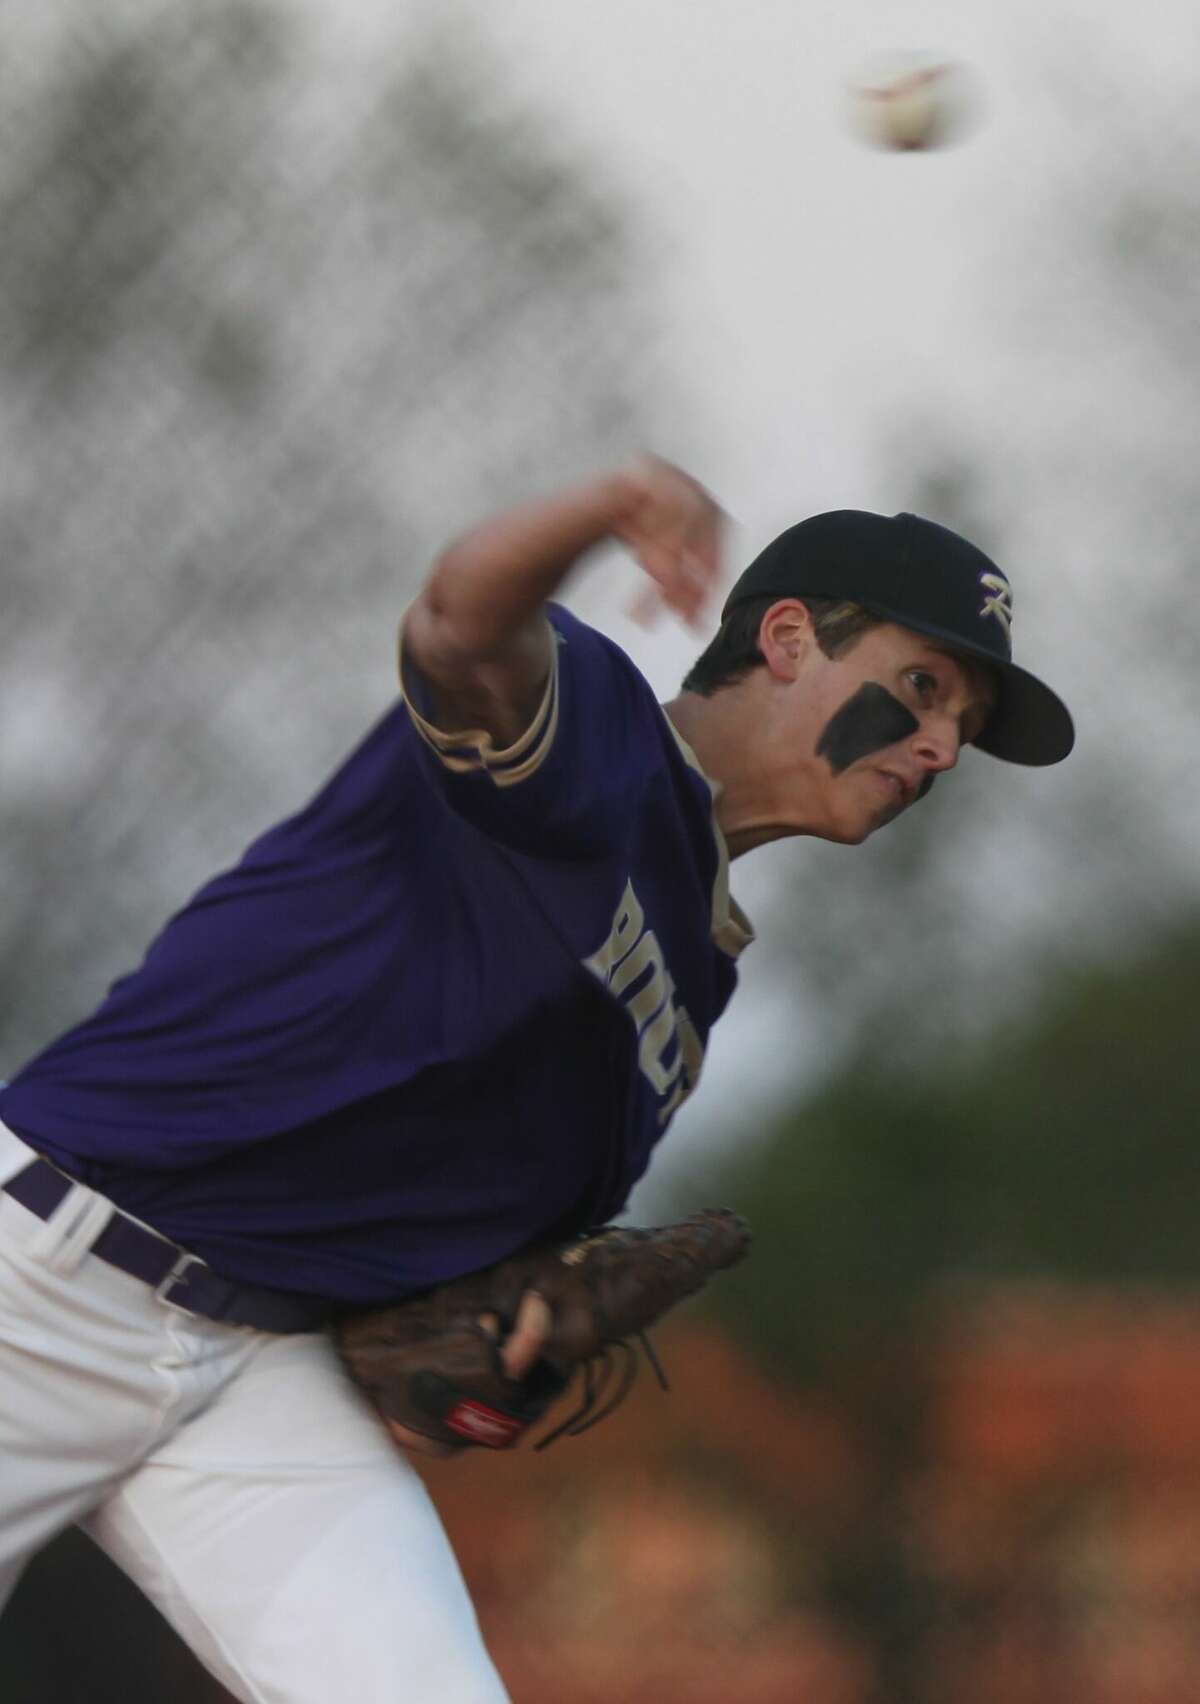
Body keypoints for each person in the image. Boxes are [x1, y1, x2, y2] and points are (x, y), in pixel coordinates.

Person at [0, 455, 1073, 1702]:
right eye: (924, 687)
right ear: (786, 638)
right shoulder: (599, 732)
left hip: (257, 1372)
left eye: (966, 728)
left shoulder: (695, 982)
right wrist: (610, 501)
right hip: (43, 1282)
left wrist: (508, 1343)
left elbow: (438, 1313)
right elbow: (459, 623)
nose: (942, 745)